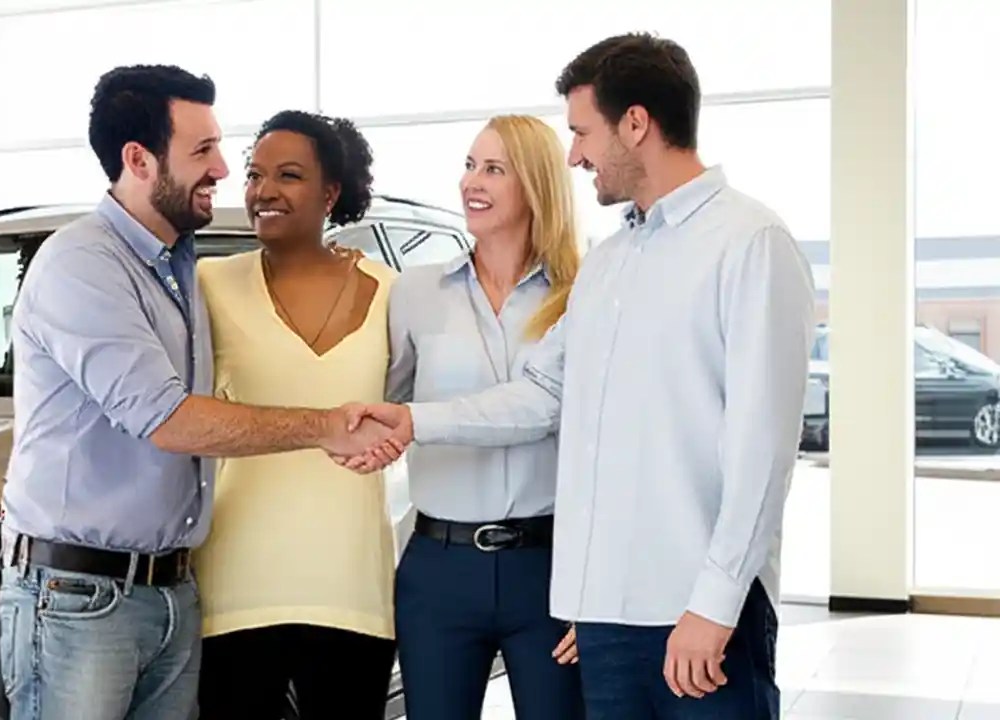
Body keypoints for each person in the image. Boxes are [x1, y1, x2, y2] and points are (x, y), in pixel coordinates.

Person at [343, 33, 815, 720]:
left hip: (698, 611)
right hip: (608, 619)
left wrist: (713, 608)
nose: (575, 156)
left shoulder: (748, 243)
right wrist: (415, 420)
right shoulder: (609, 262)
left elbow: (764, 449)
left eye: (582, 132)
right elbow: (544, 394)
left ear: (636, 123)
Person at [0, 65, 400, 720]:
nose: (222, 172)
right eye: (204, 152)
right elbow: (168, 419)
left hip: (173, 593)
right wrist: (326, 425)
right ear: (139, 159)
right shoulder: (84, 263)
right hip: (79, 597)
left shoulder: (179, 269)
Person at [191, 110, 399, 720]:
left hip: (352, 586)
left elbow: (416, 415)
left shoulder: (392, 292)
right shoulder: (210, 284)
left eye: (288, 175)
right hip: (236, 586)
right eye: (254, 176)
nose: (263, 191)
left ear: (331, 191)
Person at [383, 114, 585, 720]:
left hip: (547, 567)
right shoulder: (414, 291)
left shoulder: (584, 292)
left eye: (494, 169)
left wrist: (591, 585)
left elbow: (591, 433)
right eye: (470, 165)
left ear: (537, 185)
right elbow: (386, 404)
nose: (472, 181)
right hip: (439, 569)